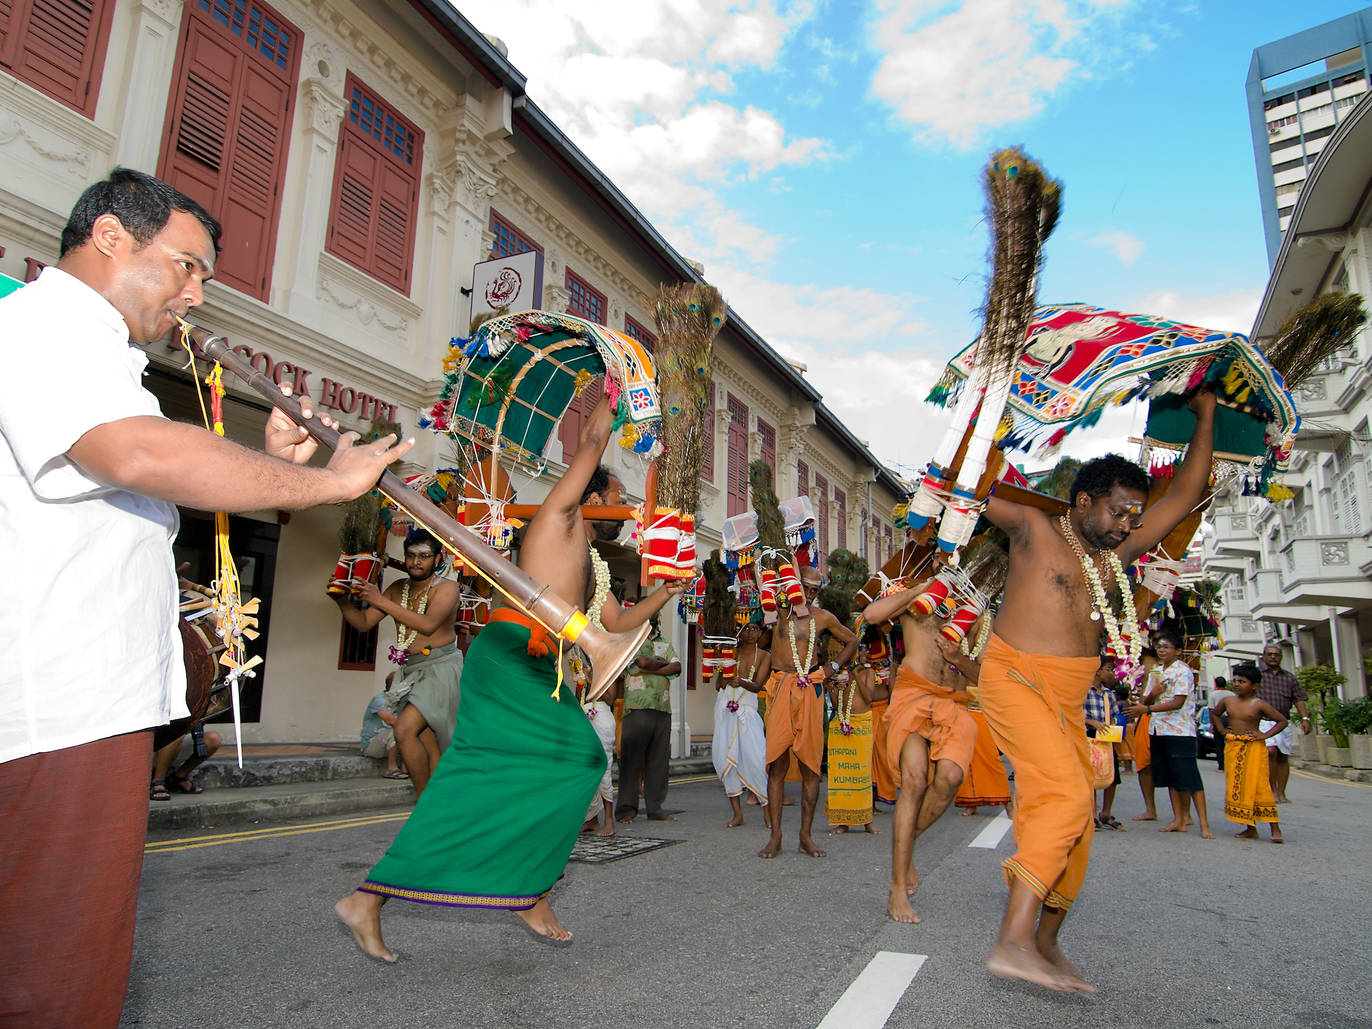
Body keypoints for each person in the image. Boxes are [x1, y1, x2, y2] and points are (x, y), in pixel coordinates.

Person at [0, 168, 411, 1026]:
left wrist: (279, 471)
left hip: (78, 705)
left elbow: (142, 483)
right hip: (60, 708)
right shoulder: (48, 325)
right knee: (53, 979)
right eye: (185, 267)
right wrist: (333, 485)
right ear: (110, 236)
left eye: (205, 278)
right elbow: (141, 456)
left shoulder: (97, 355)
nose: (194, 294)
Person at [335, 397, 684, 956]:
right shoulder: (559, 517)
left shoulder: (592, 563)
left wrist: (665, 591)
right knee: (563, 760)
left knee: (561, 762)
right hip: (508, 656)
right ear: (590, 498)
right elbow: (591, 444)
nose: (626, 509)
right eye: (618, 498)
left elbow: (616, 622)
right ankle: (521, 889)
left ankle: (395, 898)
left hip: (535, 664)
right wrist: (611, 395)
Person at [976, 392, 1216, 992]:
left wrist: (1206, 413)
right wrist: (991, 406)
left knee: (1075, 822)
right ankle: (1010, 942)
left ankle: (1045, 939)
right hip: (1014, 678)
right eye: (1117, 511)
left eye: (1135, 514)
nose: (1128, 524)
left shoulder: (1120, 553)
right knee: (1065, 798)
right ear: (1083, 501)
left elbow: (1185, 495)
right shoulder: (1032, 527)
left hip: (1069, 696)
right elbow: (973, 482)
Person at [863, 578, 979, 923]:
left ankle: (906, 846)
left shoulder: (975, 607)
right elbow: (871, 616)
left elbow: (981, 674)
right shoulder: (917, 597)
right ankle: (897, 889)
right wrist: (920, 589)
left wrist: (959, 657)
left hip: (952, 702)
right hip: (913, 695)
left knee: (950, 776)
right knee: (913, 781)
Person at [332, 530, 461, 796]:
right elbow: (365, 623)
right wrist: (342, 601)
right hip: (409, 671)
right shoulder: (397, 588)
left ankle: (424, 801)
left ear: (437, 559)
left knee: (404, 730)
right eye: (411, 555)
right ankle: (432, 803)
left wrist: (379, 599)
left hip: (440, 668)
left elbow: (428, 625)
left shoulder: (447, 588)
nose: (416, 562)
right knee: (429, 744)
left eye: (424, 556)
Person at [757, 567, 858, 859]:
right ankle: (775, 837)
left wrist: (832, 667)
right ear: (792, 585)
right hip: (780, 687)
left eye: (815, 590)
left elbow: (852, 640)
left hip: (810, 688)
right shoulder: (775, 610)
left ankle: (805, 836)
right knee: (776, 763)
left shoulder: (822, 617)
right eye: (805, 588)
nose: (809, 595)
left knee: (811, 766)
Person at [1126, 628, 1213, 839]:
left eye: (1166, 647)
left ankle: (1204, 825)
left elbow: (1178, 702)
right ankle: (1178, 819)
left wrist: (1146, 709)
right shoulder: (1157, 672)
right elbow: (1146, 699)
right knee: (1171, 777)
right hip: (1158, 729)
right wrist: (1151, 695)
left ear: (1178, 651)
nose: (1162, 650)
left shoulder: (1182, 671)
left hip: (1179, 730)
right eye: (1159, 647)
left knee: (1190, 778)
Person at [616, 615, 681, 823]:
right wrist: (662, 666)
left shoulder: (664, 642)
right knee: (630, 761)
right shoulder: (631, 640)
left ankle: (655, 808)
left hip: (662, 707)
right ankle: (627, 810)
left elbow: (677, 667)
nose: (652, 617)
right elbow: (640, 661)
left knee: (658, 761)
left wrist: (650, 667)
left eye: (655, 615)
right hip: (636, 707)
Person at [1211, 663, 1285, 843]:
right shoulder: (1227, 701)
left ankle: (1275, 828)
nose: (1236, 684)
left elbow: (1282, 721)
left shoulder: (1259, 704)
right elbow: (1215, 714)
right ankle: (1250, 827)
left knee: (1260, 786)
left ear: (1255, 686)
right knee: (1240, 787)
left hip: (1253, 748)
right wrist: (1222, 731)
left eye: (1242, 681)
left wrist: (1265, 735)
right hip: (1233, 747)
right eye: (1235, 680)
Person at [711, 618, 769, 828]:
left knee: (756, 759)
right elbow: (718, 685)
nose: (751, 633)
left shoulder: (764, 656)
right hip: (726, 709)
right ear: (740, 632)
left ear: (760, 634)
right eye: (746, 629)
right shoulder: (730, 654)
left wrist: (741, 681)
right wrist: (724, 676)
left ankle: (767, 811)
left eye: (754, 629)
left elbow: (758, 685)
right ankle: (737, 814)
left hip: (747, 711)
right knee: (725, 760)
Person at [825, 632, 881, 836]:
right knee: (841, 775)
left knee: (862, 775)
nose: (864, 653)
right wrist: (831, 687)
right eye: (861, 650)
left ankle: (866, 821)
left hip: (861, 726)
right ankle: (842, 821)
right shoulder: (840, 673)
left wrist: (856, 675)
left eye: (865, 650)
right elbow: (836, 702)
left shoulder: (868, 673)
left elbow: (868, 698)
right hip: (841, 724)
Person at [1257, 644, 1311, 803]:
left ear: (1281, 657)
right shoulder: (1258, 676)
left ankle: (1281, 793)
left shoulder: (1289, 677)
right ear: (1264, 657)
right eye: (1270, 654)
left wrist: (1305, 718)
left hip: (1283, 722)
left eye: (1276, 654)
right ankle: (1272, 791)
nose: (1273, 657)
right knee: (1270, 752)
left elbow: (1299, 699)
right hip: (1263, 721)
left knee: (1282, 756)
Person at [1083, 658, 1124, 831]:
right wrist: (1093, 723)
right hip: (1089, 735)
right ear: (1098, 671)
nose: (1111, 673)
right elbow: (1074, 713)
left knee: (1111, 774)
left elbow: (1115, 713)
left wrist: (1113, 722)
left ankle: (1106, 813)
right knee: (1092, 774)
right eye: (1108, 669)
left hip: (1106, 736)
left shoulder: (1108, 693)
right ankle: (1091, 813)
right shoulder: (1083, 690)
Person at [149, 722, 223, 799]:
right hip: (152, 745)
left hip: (178, 741)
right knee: (174, 733)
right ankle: (157, 781)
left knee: (213, 739)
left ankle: (179, 777)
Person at [1130, 647, 1161, 821]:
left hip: (1163, 719)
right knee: (1143, 765)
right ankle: (1150, 808)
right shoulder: (1141, 670)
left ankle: (1184, 814)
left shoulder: (1168, 670)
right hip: (1145, 718)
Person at [361, 676, 407, 780]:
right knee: (397, 731)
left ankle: (405, 767)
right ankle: (391, 768)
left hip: (389, 745)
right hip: (371, 746)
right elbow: (390, 721)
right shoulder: (379, 700)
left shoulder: (400, 701)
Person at [1209, 675, 1235, 770]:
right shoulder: (1231, 694)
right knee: (1231, 741)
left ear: (1216, 684)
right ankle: (1232, 763)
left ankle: (1221, 766)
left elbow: (1211, 710)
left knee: (1219, 744)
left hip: (1218, 719)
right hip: (1230, 719)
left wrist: (1212, 724)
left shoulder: (1213, 694)